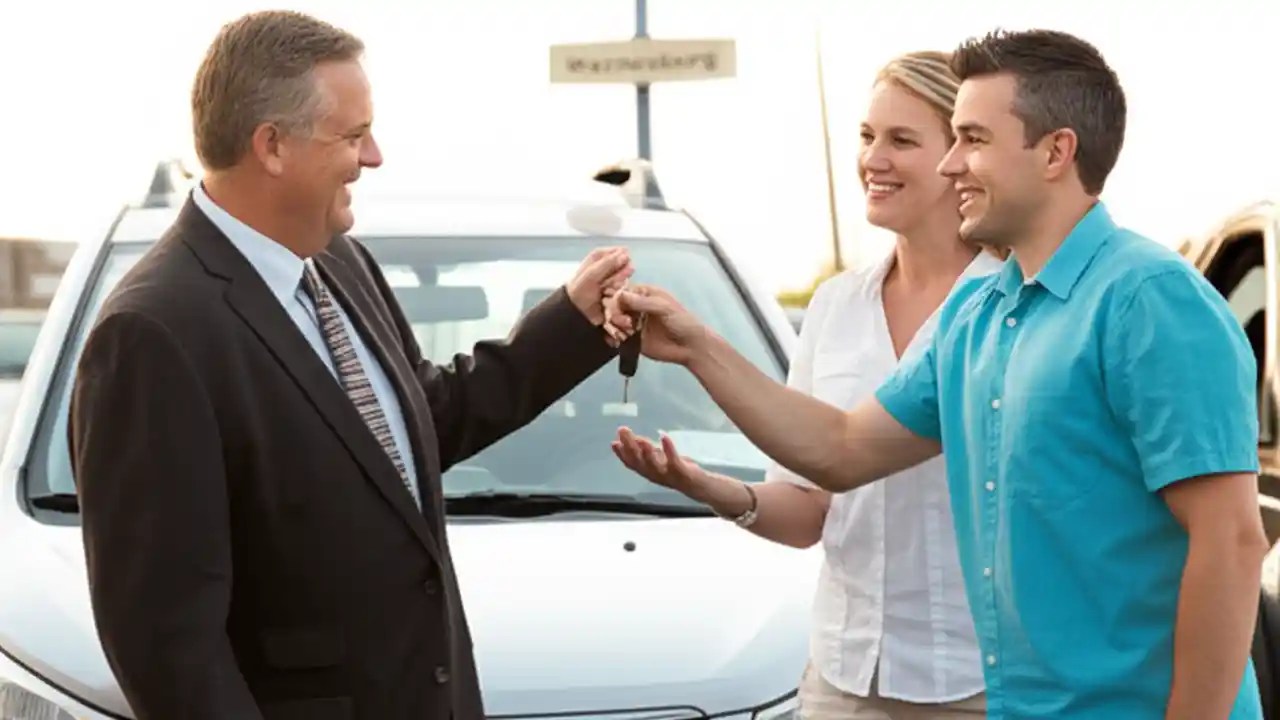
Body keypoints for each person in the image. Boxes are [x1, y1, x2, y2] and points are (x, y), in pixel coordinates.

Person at [607, 28, 1268, 719]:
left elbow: (1230, 539)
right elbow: (839, 450)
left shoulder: (1150, 298)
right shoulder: (978, 313)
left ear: (1055, 152)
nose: (952, 165)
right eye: (951, 139)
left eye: (974, 139)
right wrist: (696, 347)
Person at [68, 10, 633, 720]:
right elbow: (168, 647)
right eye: (354, 135)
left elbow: (417, 427)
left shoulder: (337, 260)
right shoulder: (150, 335)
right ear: (272, 146)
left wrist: (570, 324)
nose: (374, 157)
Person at [613, 51, 999, 718]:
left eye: (902, 140)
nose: (873, 159)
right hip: (842, 683)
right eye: (866, 135)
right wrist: (705, 485)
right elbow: (811, 509)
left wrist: (703, 349)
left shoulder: (1009, 306)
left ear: (959, 155)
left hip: (978, 684)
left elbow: (844, 449)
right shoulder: (835, 306)